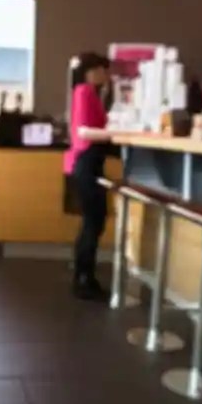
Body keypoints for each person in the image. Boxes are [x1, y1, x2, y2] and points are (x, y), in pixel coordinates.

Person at [65, 53, 112, 302]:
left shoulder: (88, 92)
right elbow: (85, 131)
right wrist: (112, 132)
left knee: (93, 222)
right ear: (90, 72)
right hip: (86, 161)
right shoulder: (84, 91)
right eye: (103, 70)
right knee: (93, 222)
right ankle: (84, 279)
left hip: (86, 162)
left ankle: (85, 276)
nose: (107, 76)